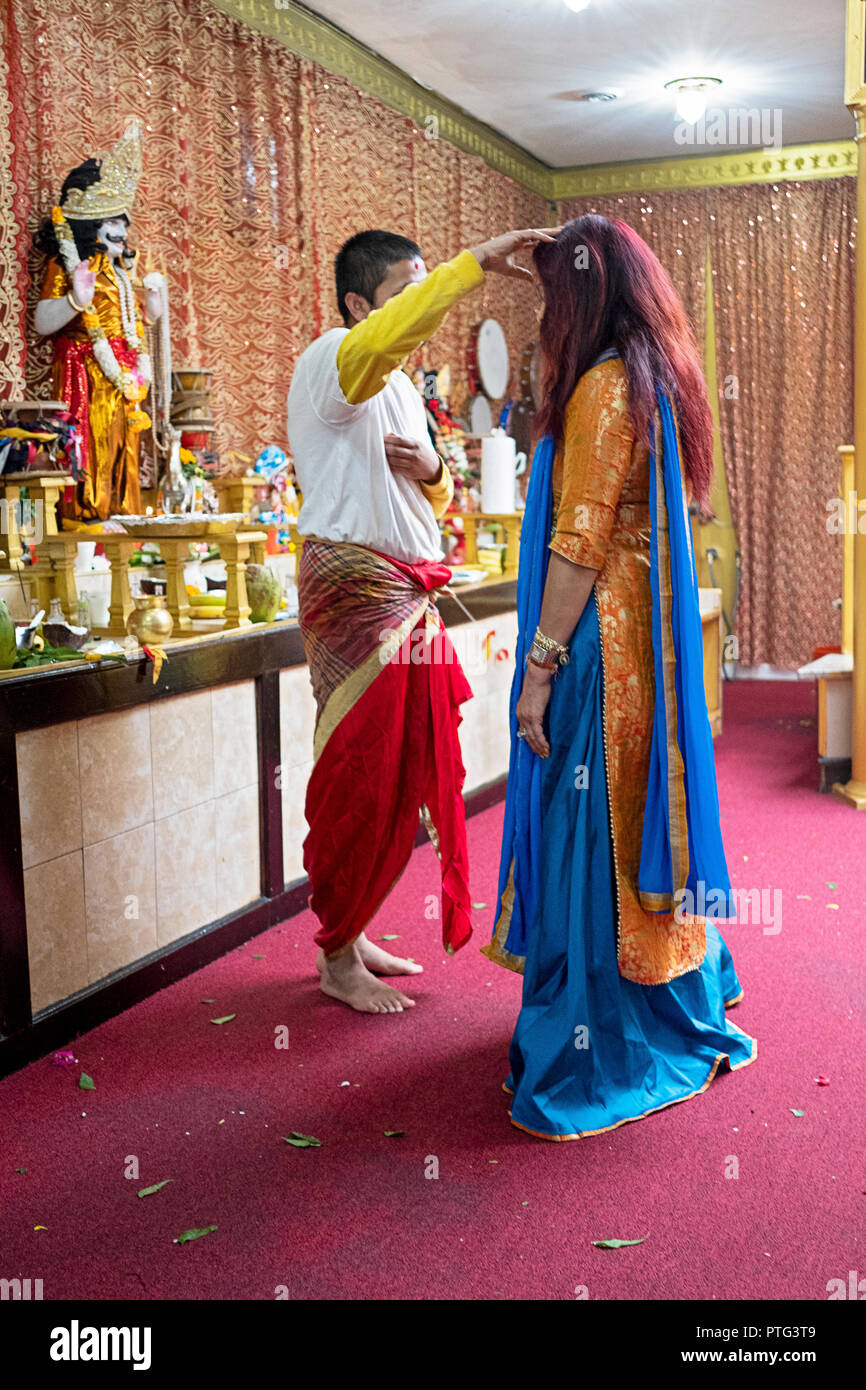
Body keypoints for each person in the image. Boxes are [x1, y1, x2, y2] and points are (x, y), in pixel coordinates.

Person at [485, 215, 757, 1137]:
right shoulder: (657, 375)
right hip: (647, 634)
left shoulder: (605, 388)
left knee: (587, 813)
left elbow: (577, 542)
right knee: (633, 805)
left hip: (599, 637)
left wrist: (537, 667)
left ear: (586, 301)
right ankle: (667, 988)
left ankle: (601, 1033)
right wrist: (547, 257)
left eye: (556, 300)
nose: (547, 323)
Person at [288, 225, 559, 1015]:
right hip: (357, 590)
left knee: (401, 774)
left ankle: (354, 928)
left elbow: (431, 493)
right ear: (357, 303)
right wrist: (472, 266)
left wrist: (436, 468)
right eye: (406, 292)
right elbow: (389, 336)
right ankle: (337, 955)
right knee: (359, 772)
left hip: (407, 591)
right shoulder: (334, 358)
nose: (421, 312)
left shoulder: (400, 385)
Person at [33, 119, 164, 523]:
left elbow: (145, 323)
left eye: (124, 226)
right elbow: (41, 323)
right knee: (93, 455)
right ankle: (88, 528)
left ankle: (121, 526)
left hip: (126, 377)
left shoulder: (124, 271)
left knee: (124, 453)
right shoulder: (69, 264)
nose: (122, 234)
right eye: (113, 226)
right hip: (86, 372)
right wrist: (77, 298)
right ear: (92, 228)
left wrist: (156, 299)